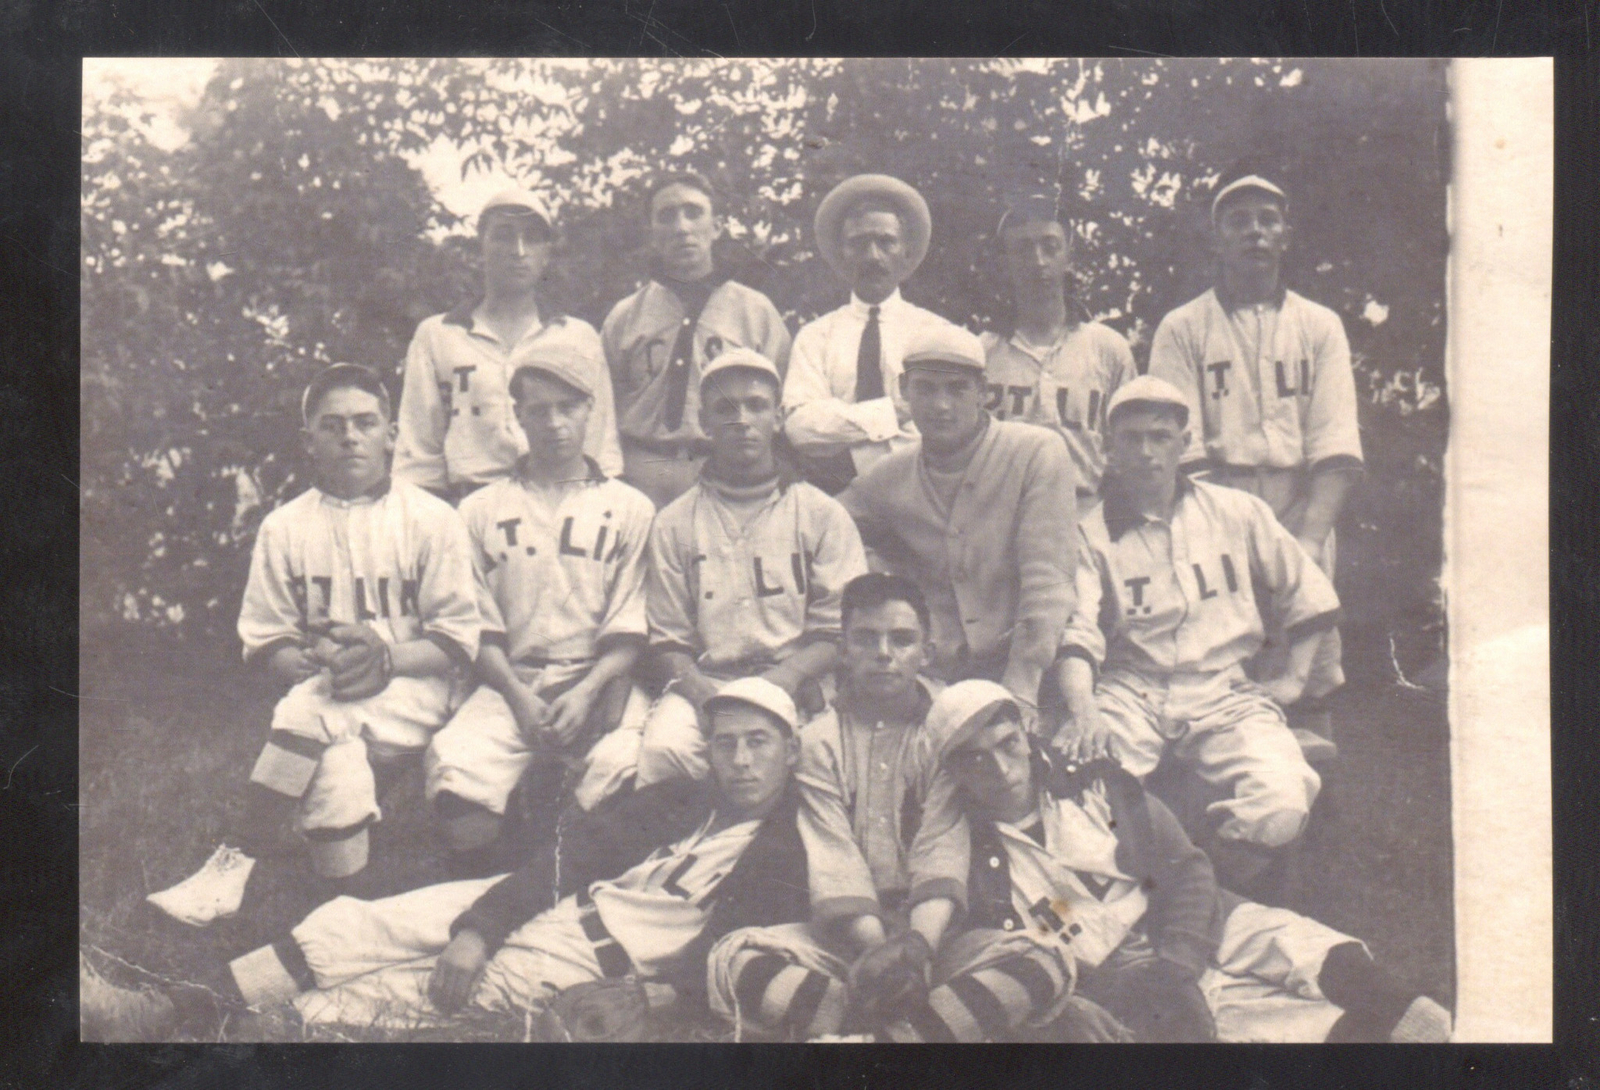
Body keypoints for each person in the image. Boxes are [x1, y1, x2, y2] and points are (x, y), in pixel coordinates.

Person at [83, 679, 811, 1041]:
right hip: (543, 904)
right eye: (726, 741)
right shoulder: (680, 798)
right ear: (707, 748)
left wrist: (661, 999)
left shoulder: (784, 850)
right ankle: (154, 1010)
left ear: (792, 749)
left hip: (592, 961)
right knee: (347, 926)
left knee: (394, 998)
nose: (741, 759)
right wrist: (479, 925)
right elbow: (571, 854)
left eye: (759, 742)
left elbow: (728, 953)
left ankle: (231, 1036)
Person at [146, 365, 481, 927]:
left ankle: (237, 858)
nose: (350, 436)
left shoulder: (432, 518)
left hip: (418, 690)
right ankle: (344, 917)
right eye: (332, 425)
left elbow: (456, 639)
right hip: (331, 693)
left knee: (308, 710)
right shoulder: (284, 526)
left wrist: (384, 659)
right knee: (338, 762)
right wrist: (300, 660)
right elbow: (264, 634)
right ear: (309, 441)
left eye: (365, 423)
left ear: (391, 434)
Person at [935, 678, 1452, 1043]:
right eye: (974, 759)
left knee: (1300, 946)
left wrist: (1181, 957)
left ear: (1026, 737)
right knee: (1274, 1026)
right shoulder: (966, 856)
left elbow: (1187, 869)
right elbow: (999, 963)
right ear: (952, 771)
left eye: (1007, 745)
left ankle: (1420, 1020)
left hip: (1194, 922)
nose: (999, 769)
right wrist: (1071, 1007)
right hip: (1122, 978)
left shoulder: (1093, 784)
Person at [1051, 375, 1333, 900]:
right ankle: (1120, 914)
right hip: (1131, 688)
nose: (1146, 451)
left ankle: (1206, 896)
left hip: (1223, 690)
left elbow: (1306, 590)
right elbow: (1078, 632)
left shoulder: (1236, 511)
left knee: (1281, 800)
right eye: (1131, 437)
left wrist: (1294, 678)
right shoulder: (1092, 531)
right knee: (1081, 793)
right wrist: (1083, 708)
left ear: (1185, 442)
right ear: (1110, 446)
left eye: (1160, 437)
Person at [703, 675, 1078, 1043]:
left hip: (935, 937)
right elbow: (834, 856)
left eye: (901, 638)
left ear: (924, 651)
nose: (883, 654)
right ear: (845, 651)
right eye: (867, 638)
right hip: (846, 936)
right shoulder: (819, 741)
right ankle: (909, 1034)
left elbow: (941, 845)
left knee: (1047, 959)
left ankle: (871, 1040)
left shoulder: (941, 736)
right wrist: (876, 951)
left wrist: (918, 949)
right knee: (735, 958)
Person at [1146, 170, 1363, 762]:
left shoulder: (1319, 325)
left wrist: (1310, 537)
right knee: (1222, 655)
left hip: (1301, 501)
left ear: (1285, 235)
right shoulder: (1183, 326)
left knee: (1309, 658)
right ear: (1217, 237)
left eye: (1268, 220)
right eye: (1239, 221)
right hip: (1213, 503)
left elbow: (1335, 442)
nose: (1255, 233)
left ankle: (1317, 810)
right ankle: (1225, 806)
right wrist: (1229, 532)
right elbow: (1175, 445)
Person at [424, 347, 657, 879]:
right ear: (519, 416)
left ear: (590, 410)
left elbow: (631, 621)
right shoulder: (480, 509)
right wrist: (519, 698)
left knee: (622, 773)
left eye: (567, 407)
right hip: (512, 681)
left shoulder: (630, 507)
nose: (553, 423)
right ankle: (481, 886)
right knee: (457, 770)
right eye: (538, 410)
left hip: (598, 681)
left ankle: (568, 886)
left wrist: (588, 690)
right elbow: (472, 622)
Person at [593, 348, 867, 795]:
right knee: (667, 752)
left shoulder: (821, 513)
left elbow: (840, 628)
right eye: (726, 408)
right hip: (708, 682)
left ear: (778, 418)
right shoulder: (675, 521)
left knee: (821, 761)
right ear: (704, 422)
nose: (742, 419)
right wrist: (707, 698)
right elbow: (668, 639)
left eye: (756, 406)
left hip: (797, 679)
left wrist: (785, 679)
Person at [838, 324, 1078, 715]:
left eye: (957, 388)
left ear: (984, 391)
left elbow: (1047, 584)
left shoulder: (1036, 452)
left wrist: (1021, 691)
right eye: (926, 388)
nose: (941, 405)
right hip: (938, 671)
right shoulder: (888, 475)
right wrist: (883, 568)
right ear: (903, 389)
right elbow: (827, 525)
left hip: (1030, 669)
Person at [393, 187, 623, 503]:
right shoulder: (438, 335)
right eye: (503, 236)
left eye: (531, 238)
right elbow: (418, 457)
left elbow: (601, 446)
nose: (518, 250)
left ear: (546, 253)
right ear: (480, 248)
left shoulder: (577, 336)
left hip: (560, 503)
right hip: (467, 504)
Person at [601, 171, 792, 508]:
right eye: (667, 216)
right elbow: (601, 408)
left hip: (726, 471)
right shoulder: (625, 315)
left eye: (693, 212)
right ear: (653, 235)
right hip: (641, 472)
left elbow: (782, 406)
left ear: (716, 227)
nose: (681, 227)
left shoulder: (755, 311)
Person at [782, 173, 968, 493]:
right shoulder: (816, 337)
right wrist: (891, 413)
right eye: (858, 243)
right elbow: (801, 428)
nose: (872, 256)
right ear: (842, 253)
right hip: (832, 496)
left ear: (906, 251)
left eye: (886, 241)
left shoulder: (936, 334)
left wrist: (841, 430)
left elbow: (944, 427)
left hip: (923, 495)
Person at [980, 196, 1134, 509]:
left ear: (1070, 257)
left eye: (1050, 247)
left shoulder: (1108, 349)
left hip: (1085, 513)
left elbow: (1129, 446)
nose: (1038, 261)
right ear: (1006, 262)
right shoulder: (981, 352)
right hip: (1001, 513)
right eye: (1024, 249)